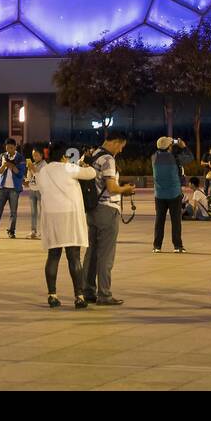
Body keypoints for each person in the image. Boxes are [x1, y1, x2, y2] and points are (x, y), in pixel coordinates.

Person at [35, 148, 96, 308]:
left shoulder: (43, 171)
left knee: (53, 255)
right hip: (70, 215)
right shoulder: (68, 167)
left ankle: (52, 295)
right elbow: (91, 173)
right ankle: (79, 297)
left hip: (52, 216)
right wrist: (83, 164)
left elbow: (41, 189)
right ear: (63, 156)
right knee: (74, 256)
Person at [82, 129, 136, 305]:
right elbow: (112, 188)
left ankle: (87, 290)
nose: (120, 150)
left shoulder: (92, 155)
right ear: (116, 142)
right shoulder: (108, 159)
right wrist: (125, 190)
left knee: (91, 252)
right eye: (121, 146)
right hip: (107, 210)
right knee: (106, 254)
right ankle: (104, 294)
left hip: (92, 209)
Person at [150, 136, 192, 253]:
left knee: (159, 220)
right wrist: (183, 147)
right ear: (169, 147)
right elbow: (189, 158)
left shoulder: (154, 157)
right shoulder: (175, 158)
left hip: (159, 194)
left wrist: (168, 144)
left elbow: (161, 151)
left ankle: (157, 246)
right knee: (176, 221)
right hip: (174, 193)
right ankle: (177, 246)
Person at [0, 138, 26, 239]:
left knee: (13, 212)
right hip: (2, 188)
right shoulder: (2, 156)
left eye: (11, 148)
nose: (9, 150)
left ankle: (11, 231)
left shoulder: (20, 158)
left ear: (15, 147)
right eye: (7, 148)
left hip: (14, 189)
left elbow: (20, 174)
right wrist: (4, 165)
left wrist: (12, 166)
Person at [24, 147, 46, 239]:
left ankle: (42, 231)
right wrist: (26, 181)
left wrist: (32, 169)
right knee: (33, 212)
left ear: (41, 155)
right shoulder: (32, 164)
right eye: (33, 155)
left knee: (42, 212)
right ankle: (33, 231)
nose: (34, 157)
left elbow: (41, 176)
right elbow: (29, 177)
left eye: (36, 155)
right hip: (32, 189)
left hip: (40, 190)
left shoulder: (44, 165)